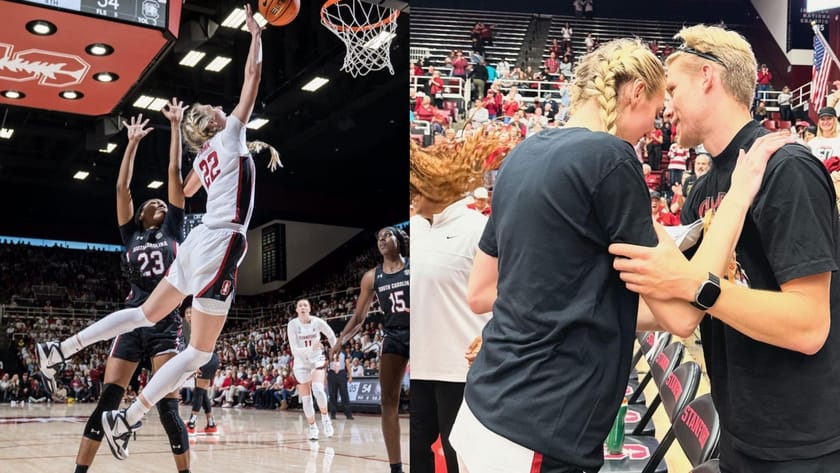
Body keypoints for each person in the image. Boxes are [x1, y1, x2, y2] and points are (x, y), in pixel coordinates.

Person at [36, 4, 281, 460]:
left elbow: (185, 188)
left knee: (145, 313)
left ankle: (62, 349)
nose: (220, 107)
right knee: (199, 352)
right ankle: (130, 416)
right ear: (213, 124)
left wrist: (236, 149)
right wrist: (256, 35)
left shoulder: (206, 155)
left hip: (197, 241)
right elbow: (253, 76)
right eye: (214, 109)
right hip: (222, 239)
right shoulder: (229, 134)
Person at [608, 25, 840, 472]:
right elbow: (680, 307)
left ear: (707, 77)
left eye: (672, 89)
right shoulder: (704, 188)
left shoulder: (786, 169)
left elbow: (809, 325)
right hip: (738, 429)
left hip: (800, 445)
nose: (665, 107)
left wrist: (698, 285)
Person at [449, 38, 666, 473]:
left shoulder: (520, 156)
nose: (653, 128)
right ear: (637, 92)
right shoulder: (612, 158)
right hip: (537, 428)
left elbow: (481, 292)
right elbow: (680, 317)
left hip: (482, 408)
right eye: (655, 112)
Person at [72, 102, 190, 473]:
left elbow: (174, 172)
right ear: (140, 215)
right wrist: (133, 143)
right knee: (107, 402)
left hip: (166, 324)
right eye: (151, 201)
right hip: (132, 322)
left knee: (169, 408)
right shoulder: (130, 235)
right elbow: (122, 187)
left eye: (161, 200)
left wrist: (176, 126)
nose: (158, 201)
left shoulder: (173, 229)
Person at [409, 129, 509, 473]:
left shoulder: (478, 228)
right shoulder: (413, 229)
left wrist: (491, 339)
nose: (410, 196)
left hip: (463, 372)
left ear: (433, 185)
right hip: (419, 368)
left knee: (459, 461)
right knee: (418, 458)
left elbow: (509, 292)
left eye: (414, 188)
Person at [331, 226, 410, 473]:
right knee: (387, 401)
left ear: (399, 239)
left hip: (421, 331)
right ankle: (396, 468)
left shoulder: (415, 266)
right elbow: (359, 317)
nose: (382, 239)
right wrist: (341, 340)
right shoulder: (371, 277)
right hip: (394, 335)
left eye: (387, 235)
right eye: (379, 238)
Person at [288, 298, 338, 441]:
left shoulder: (317, 322)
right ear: (297, 310)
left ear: (309, 309)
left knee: (318, 389)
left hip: (317, 360)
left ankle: (325, 419)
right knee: (306, 399)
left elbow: (332, 336)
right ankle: (312, 427)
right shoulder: (292, 325)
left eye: (305, 305)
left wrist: (335, 358)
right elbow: (294, 350)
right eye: (300, 305)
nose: (303, 307)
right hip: (301, 363)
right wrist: (311, 347)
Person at [182, 304, 219, 435]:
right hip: (207, 358)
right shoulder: (189, 328)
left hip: (205, 358)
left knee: (198, 392)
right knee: (202, 392)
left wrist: (196, 364)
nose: (189, 315)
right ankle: (211, 424)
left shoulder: (199, 326)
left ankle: (192, 424)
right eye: (187, 313)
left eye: (191, 312)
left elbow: (200, 346)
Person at [326, 348, 353, 420]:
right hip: (332, 373)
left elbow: (347, 364)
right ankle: (333, 413)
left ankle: (348, 414)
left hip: (341, 373)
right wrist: (324, 376)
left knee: (344, 394)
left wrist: (350, 375)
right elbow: (326, 363)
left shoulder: (344, 352)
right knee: (332, 394)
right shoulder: (330, 352)